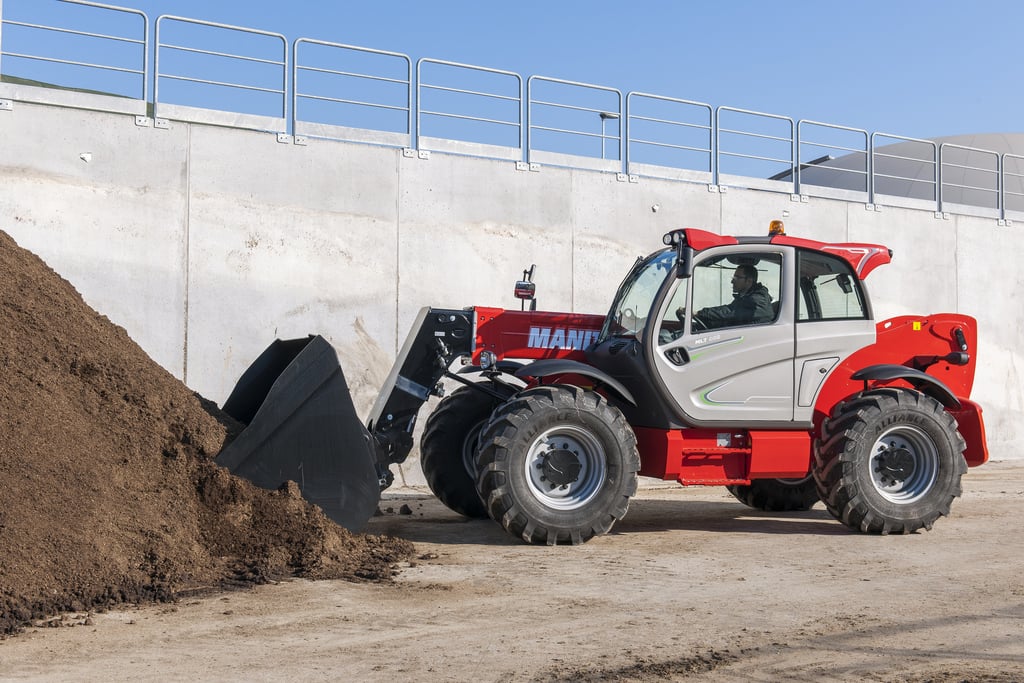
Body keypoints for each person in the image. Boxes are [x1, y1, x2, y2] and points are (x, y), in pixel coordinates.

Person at [693, 264, 774, 329]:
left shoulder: (757, 301)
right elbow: (726, 320)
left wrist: (699, 313)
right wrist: (698, 324)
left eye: (736, 278)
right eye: (733, 277)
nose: (732, 281)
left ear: (749, 281)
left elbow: (728, 312)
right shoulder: (746, 297)